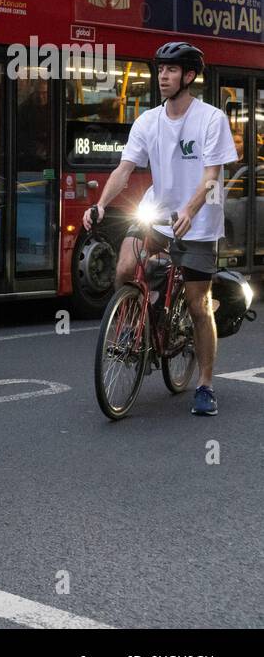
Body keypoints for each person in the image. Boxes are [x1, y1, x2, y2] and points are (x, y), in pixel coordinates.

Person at [82, 41, 238, 416]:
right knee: (124, 267)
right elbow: (124, 170)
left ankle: (205, 384)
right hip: (159, 214)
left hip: (198, 224)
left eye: (170, 70)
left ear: (188, 76)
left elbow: (212, 176)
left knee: (200, 306)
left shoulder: (210, 119)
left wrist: (190, 209)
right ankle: (141, 315)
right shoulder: (147, 121)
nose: (162, 76)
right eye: (160, 69)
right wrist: (101, 204)